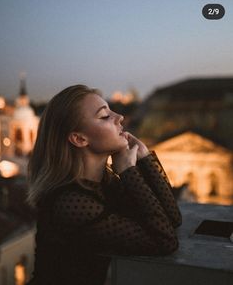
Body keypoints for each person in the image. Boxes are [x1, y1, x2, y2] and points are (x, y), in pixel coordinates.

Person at [26, 84, 182, 285]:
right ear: (79, 138)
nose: (120, 117)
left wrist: (143, 157)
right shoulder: (71, 202)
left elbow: (172, 219)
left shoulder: (104, 182)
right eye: (105, 116)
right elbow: (165, 240)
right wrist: (128, 171)